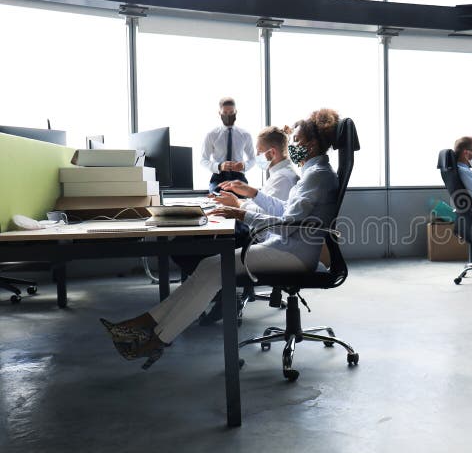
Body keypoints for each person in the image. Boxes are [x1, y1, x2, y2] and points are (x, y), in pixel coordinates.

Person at [100, 109, 341, 368]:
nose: (291, 145)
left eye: (296, 141)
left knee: (216, 267)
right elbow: (287, 211)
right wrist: (252, 195)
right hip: (287, 248)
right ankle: (147, 327)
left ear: (311, 144)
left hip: (293, 254)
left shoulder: (317, 176)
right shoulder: (314, 173)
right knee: (209, 266)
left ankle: (155, 338)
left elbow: (287, 226)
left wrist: (241, 213)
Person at [194, 125, 301, 324]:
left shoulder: (284, 178)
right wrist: (236, 202)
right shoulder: (279, 174)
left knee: (200, 244)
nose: (256, 156)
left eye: (259, 152)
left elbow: (272, 215)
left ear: (272, 152)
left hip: (263, 237)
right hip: (260, 231)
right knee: (209, 234)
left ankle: (222, 297)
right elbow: (264, 205)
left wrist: (237, 205)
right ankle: (219, 295)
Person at [200, 97, 256, 193]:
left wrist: (244, 166)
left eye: (231, 113)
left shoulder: (245, 135)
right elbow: (203, 160)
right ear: (219, 113)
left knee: (242, 202)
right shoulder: (211, 135)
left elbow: (253, 159)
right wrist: (219, 166)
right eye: (225, 113)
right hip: (218, 178)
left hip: (239, 177)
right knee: (216, 200)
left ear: (236, 112)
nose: (228, 115)